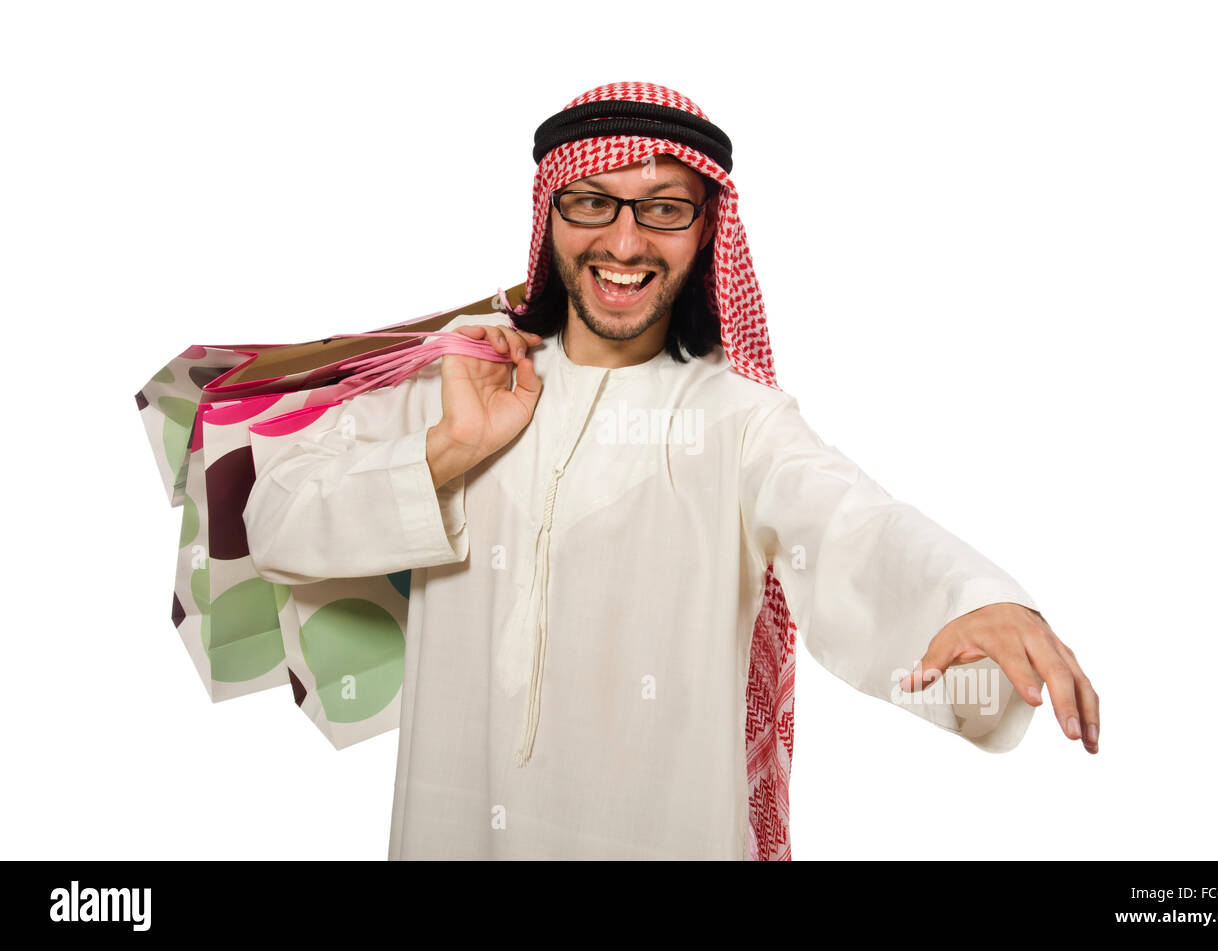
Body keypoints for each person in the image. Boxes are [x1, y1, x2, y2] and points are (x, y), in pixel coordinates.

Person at [243, 81, 1099, 861]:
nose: (623, 240)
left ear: (707, 229)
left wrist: (971, 599)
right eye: (592, 202)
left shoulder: (738, 421)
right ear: (550, 214)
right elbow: (273, 516)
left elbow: (850, 522)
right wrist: (450, 450)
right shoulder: (463, 379)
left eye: (662, 209)